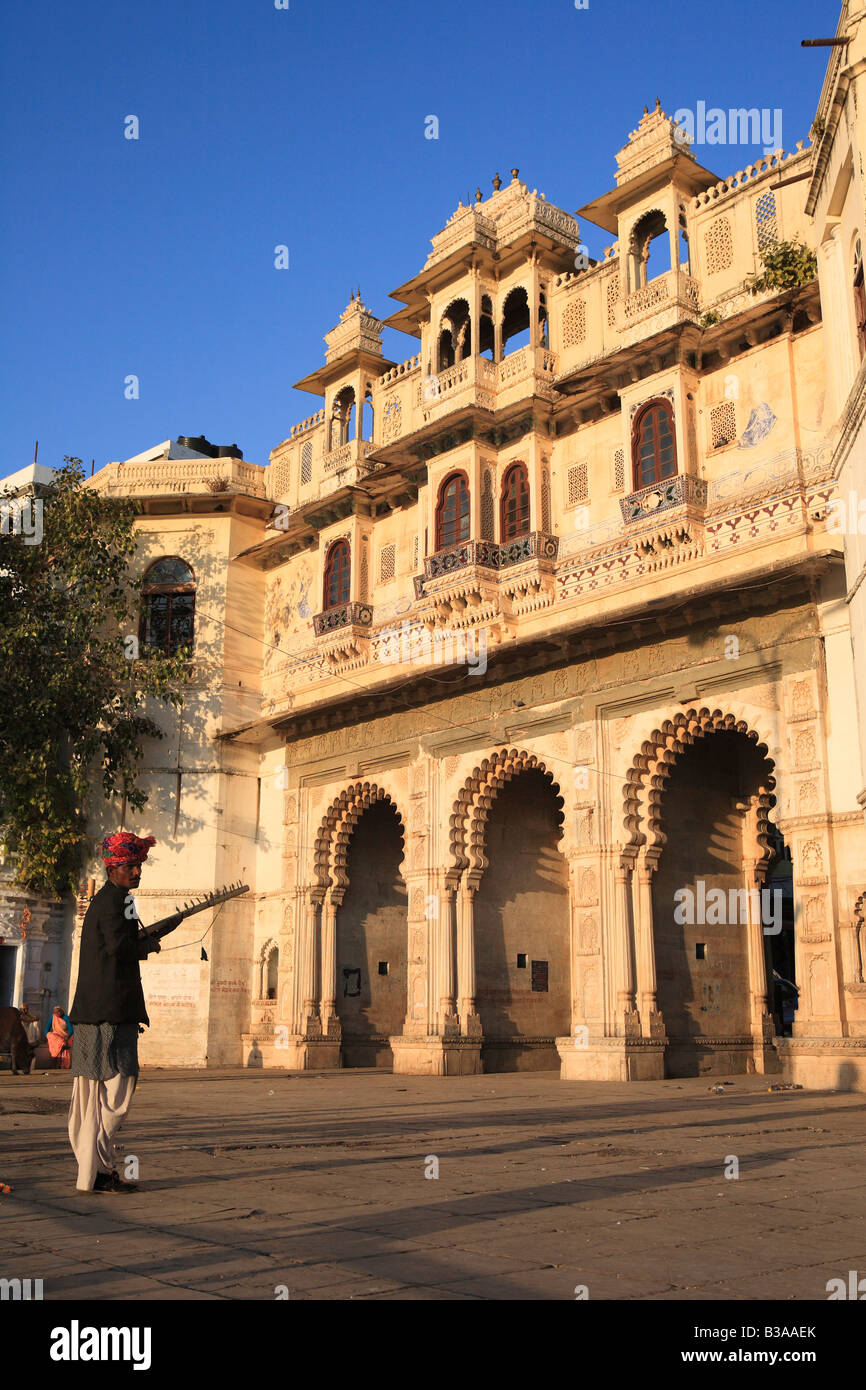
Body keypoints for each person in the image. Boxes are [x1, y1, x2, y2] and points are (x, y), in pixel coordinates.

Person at [67, 830, 172, 1195]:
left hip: (99, 1012)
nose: (136, 872)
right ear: (113, 869)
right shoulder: (114, 902)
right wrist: (147, 944)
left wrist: (144, 942)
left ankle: (95, 1173)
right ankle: (97, 1170)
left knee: (97, 1100)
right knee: (116, 1093)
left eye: (138, 866)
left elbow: (121, 944)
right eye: (129, 866)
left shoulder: (114, 900)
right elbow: (119, 946)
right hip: (109, 1014)